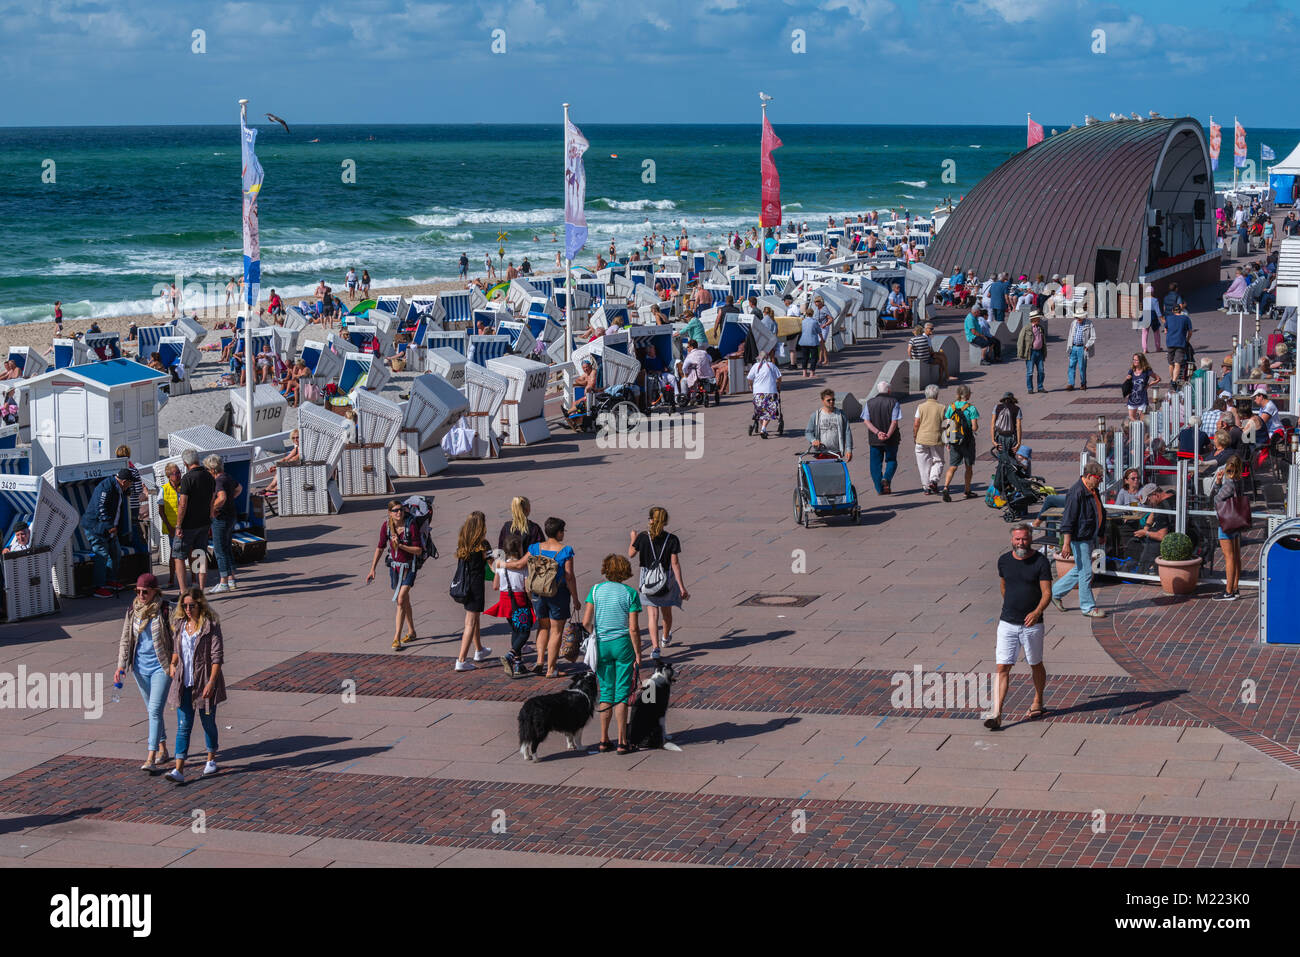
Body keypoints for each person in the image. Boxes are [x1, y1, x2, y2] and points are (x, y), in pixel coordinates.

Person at [984, 524, 1052, 730]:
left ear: (1030, 539)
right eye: (1017, 539)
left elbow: (1047, 593)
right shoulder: (1003, 561)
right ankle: (997, 714)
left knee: (1035, 663)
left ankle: (1038, 700)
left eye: (1023, 539)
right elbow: (1004, 586)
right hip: (1007, 622)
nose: (1020, 542)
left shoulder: (1040, 562)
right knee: (1002, 667)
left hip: (1032, 625)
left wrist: (1036, 612)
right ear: (1011, 540)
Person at [582, 554, 644, 755]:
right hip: (622, 644)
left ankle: (603, 739)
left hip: (602, 644)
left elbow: (586, 622)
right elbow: (633, 628)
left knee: (606, 691)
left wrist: (594, 636)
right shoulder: (630, 593)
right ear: (625, 571)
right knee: (623, 693)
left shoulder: (596, 590)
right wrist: (638, 653)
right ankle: (622, 741)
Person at [163, 587, 225, 784]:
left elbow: (217, 657)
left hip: (204, 682)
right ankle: (179, 769)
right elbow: (176, 650)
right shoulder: (180, 624)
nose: (188, 609)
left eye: (192, 606)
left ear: (200, 605)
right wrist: (172, 665)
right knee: (183, 726)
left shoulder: (210, 626)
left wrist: (211, 682)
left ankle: (211, 757)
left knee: (208, 723)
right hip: (184, 683)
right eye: (184, 605)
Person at [115, 573, 174, 771]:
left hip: (161, 667)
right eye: (138, 591)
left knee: (155, 710)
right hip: (139, 668)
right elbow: (125, 639)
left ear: (155, 591)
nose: (141, 595)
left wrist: (176, 663)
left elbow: (176, 638)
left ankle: (150, 756)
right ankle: (163, 749)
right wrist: (121, 666)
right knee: (152, 710)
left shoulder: (165, 609)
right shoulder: (133, 610)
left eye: (145, 592)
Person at [628, 507, 688, 659]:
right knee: (666, 613)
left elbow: (631, 554)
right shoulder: (672, 539)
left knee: (652, 615)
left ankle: (655, 648)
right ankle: (665, 637)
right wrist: (681, 587)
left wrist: (633, 539)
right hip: (665, 580)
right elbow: (675, 564)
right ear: (665, 522)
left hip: (647, 580)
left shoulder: (642, 537)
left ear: (651, 520)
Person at [1051, 461, 1107, 619]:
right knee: (1086, 572)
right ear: (1089, 476)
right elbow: (1068, 520)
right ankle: (1088, 607)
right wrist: (1066, 543)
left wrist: (1101, 532)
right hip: (1079, 537)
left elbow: (1099, 512)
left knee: (1081, 569)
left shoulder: (1092, 489)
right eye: (1099, 477)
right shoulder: (1076, 492)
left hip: (1089, 535)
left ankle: (1055, 593)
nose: (1101, 481)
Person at [367, 499, 424, 651]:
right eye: (395, 510)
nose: (399, 512)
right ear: (389, 513)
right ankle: (412, 632)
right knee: (404, 600)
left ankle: (396, 638)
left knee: (400, 600)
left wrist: (401, 546)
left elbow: (418, 550)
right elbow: (380, 548)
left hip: (409, 567)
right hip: (394, 568)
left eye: (401, 509)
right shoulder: (386, 527)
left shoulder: (411, 525)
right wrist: (373, 568)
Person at [527, 517, 580, 678]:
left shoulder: (535, 548)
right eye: (563, 530)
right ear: (558, 532)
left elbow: (524, 564)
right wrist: (575, 599)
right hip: (558, 594)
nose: (563, 533)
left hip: (538, 592)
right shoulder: (565, 551)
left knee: (543, 627)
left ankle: (539, 661)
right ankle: (551, 669)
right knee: (556, 631)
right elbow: (569, 576)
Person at [81, 468, 132, 598]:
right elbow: (101, 508)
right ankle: (98, 587)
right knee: (102, 554)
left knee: (115, 553)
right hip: (96, 528)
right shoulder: (106, 487)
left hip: (108, 528)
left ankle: (110, 580)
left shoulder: (118, 488)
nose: (130, 486)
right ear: (124, 482)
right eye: (130, 483)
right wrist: (110, 526)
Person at [488, 533, 534, 678]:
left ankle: (518, 664)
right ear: (519, 548)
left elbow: (495, 586)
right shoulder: (523, 567)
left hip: (505, 601)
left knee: (515, 630)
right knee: (524, 632)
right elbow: (527, 588)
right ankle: (510, 655)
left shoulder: (501, 566)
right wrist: (532, 600)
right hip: (519, 601)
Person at [452, 511, 493, 671]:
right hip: (476, 586)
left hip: (464, 584)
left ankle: (479, 650)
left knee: (474, 618)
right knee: (470, 622)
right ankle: (461, 660)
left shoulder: (463, 542)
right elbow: (492, 565)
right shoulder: (483, 545)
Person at [173, 449, 214, 593]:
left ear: (185, 463)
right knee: (199, 554)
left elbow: (182, 504)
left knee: (179, 556)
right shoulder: (209, 476)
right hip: (204, 522)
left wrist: (178, 525)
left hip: (188, 524)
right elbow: (212, 499)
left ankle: (184, 591)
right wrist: (210, 517)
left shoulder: (187, 479)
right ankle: (200, 589)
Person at [203, 455, 242, 596]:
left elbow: (222, 497)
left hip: (221, 518)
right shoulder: (227, 477)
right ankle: (231, 579)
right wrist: (231, 499)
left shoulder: (218, 481)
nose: (207, 472)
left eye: (207, 469)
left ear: (212, 469)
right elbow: (239, 488)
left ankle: (224, 581)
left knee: (219, 550)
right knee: (227, 548)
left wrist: (212, 509)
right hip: (231, 516)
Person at [1212, 455, 1245, 601]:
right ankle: (1235, 588)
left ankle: (1228, 591)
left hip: (1226, 522)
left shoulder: (1229, 483)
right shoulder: (1239, 481)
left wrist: (1218, 483)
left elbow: (1216, 499)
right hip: (1236, 520)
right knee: (1236, 556)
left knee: (1229, 557)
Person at [940, 384, 980, 501]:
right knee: (968, 466)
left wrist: (947, 441)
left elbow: (945, 425)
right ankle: (967, 491)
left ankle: (946, 487)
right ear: (967, 395)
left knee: (953, 466)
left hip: (954, 441)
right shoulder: (971, 408)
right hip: (967, 441)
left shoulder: (951, 407)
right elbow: (974, 427)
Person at [864, 381, 902, 495]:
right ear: (889, 391)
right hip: (891, 439)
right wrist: (888, 434)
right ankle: (886, 477)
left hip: (875, 439)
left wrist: (878, 432)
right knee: (891, 460)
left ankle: (880, 489)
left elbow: (866, 421)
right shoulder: (894, 402)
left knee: (875, 465)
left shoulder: (869, 403)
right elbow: (894, 422)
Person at [913, 384, 946, 495]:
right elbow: (946, 425)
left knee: (923, 464)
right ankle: (933, 480)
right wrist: (948, 440)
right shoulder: (942, 407)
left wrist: (915, 435)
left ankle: (926, 487)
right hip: (936, 439)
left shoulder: (920, 407)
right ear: (937, 395)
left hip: (921, 439)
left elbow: (916, 423)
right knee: (939, 461)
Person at [804, 389, 853, 462]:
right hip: (821, 453)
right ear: (822, 400)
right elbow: (808, 432)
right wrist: (813, 440)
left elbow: (847, 432)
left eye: (833, 399)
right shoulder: (816, 415)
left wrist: (849, 449)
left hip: (836, 453)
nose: (832, 402)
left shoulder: (840, 415)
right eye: (828, 400)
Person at [155, 463, 183, 588]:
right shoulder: (164, 489)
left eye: (178, 472)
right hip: (172, 527)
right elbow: (161, 511)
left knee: (194, 552)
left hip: (187, 525)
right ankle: (171, 579)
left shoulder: (185, 486)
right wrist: (170, 527)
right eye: (174, 473)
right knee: (174, 553)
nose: (177, 475)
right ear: (168, 476)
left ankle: (194, 580)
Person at [746, 350, 782, 438]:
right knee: (768, 411)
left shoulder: (755, 366)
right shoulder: (771, 365)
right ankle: (763, 429)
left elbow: (749, 378)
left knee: (761, 411)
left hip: (758, 392)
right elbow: (779, 377)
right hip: (770, 391)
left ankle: (763, 427)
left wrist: (751, 386)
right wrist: (778, 385)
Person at [1016, 309, 1047, 393]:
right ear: (1034, 319)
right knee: (1030, 372)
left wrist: (1044, 352)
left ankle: (1040, 387)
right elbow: (1020, 341)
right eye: (1038, 318)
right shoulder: (1026, 328)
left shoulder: (1040, 328)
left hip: (1039, 352)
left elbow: (1043, 340)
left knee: (1041, 371)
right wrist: (1020, 353)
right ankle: (1030, 388)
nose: (1039, 320)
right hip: (1031, 352)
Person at [1064, 310, 1096, 391]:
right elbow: (1070, 335)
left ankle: (1083, 383)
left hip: (1082, 347)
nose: (1077, 319)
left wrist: (1087, 345)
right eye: (1076, 317)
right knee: (1071, 365)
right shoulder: (1074, 323)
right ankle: (1071, 384)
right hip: (1073, 347)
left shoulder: (1089, 324)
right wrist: (1069, 347)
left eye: (1079, 317)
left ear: (1083, 317)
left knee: (1082, 367)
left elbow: (1093, 336)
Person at [1124, 353, 1160, 421]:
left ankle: (1141, 429)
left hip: (1142, 398)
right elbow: (1127, 383)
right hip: (1132, 398)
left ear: (1141, 361)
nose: (1134, 361)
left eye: (1136, 360)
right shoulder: (1132, 370)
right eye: (1133, 360)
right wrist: (1127, 379)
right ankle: (1136, 430)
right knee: (1131, 418)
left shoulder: (1147, 371)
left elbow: (1158, 379)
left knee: (1142, 419)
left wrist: (1149, 385)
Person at [1163, 306, 1193, 384]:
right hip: (1180, 343)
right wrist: (1187, 339)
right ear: (1181, 310)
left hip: (1170, 343)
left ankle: (1172, 379)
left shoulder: (1169, 318)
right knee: (1177, 363)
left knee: (1170, 363)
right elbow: (1190, 332)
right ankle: (1174, 381)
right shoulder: (1186, 318)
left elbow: (1165, 330)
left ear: (1173, 311)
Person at [797, 307, 824, 377]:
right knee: (814, 358)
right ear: (812, 314)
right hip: (812, 342)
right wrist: (821, 338)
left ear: (806, 314)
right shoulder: (815, 322)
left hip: (803, 341)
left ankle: (804, 373)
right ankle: (812, 373)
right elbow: (819, 331)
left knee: (805, 357)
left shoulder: (803, 321)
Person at [1140, 284, 1162, 354]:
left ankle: (1145, 349)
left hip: (1145, 315)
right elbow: (1157, 310)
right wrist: (1161, 317)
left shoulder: (1144, 300)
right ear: (1153, 292)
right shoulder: (1155, 300)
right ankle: (1158, 347)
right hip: (1153, 316)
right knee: (1156, 332)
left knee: (1144, 333)